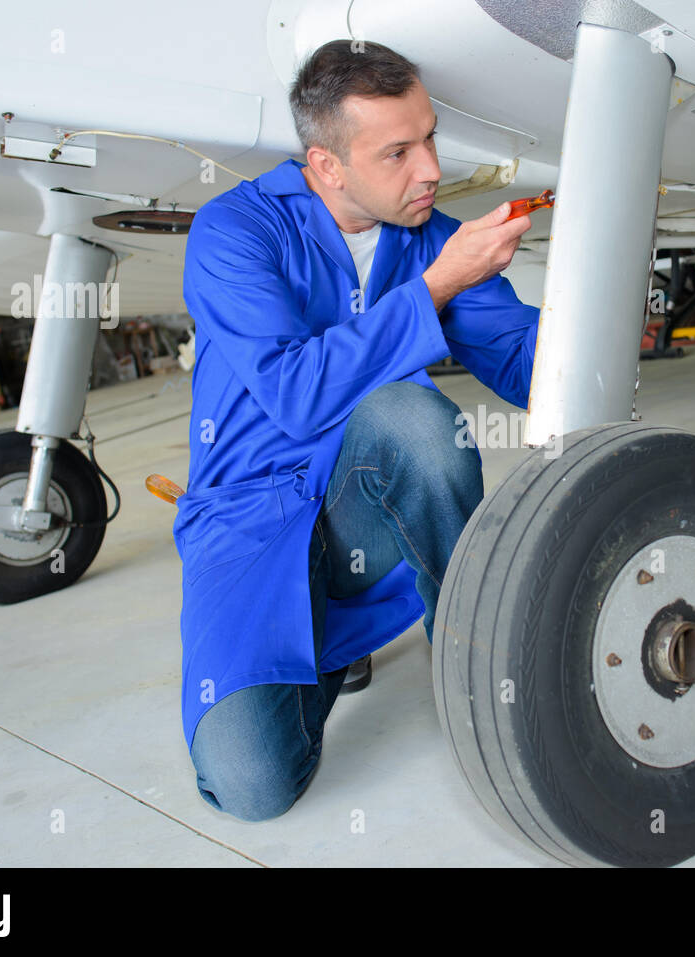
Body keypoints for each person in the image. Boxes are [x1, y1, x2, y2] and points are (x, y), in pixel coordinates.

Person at [174, 38, 539, 821]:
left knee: (416, 424)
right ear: (327, 165)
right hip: (252, 516)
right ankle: (332, 641)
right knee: (251, 785)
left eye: (430, 137)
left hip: (364, 505)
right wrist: (437, 287)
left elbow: (522, 361)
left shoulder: (432, 236)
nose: (430, 169)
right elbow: (296, 393)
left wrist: (603, 301)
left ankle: (485, 680)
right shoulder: (234, 231)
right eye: (398, 152)